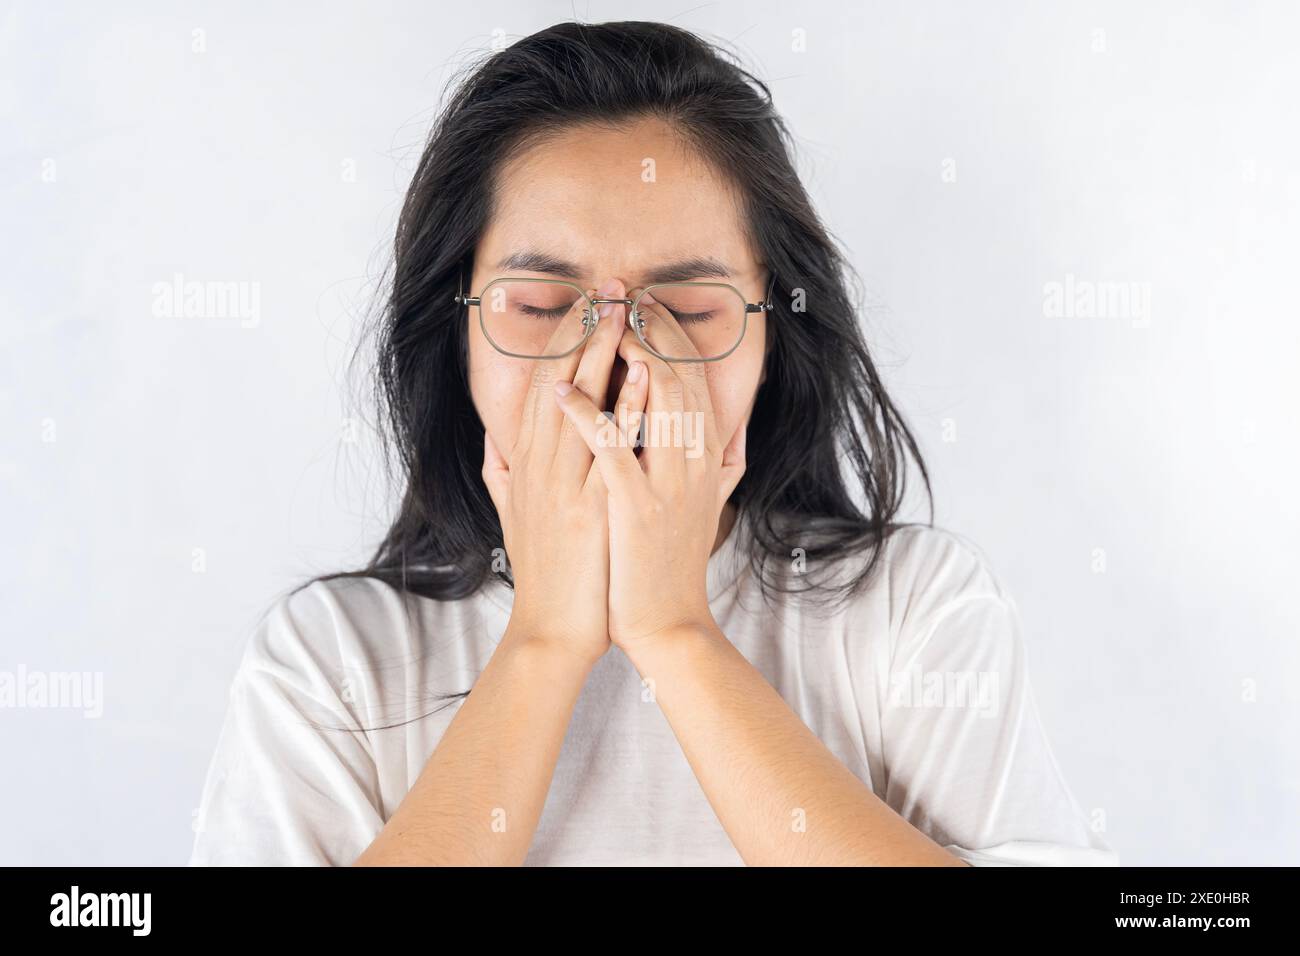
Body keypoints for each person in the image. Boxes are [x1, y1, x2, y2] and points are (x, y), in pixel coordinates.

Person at [188, 20, 1117, 866]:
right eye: (544, 306)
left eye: (686, 310)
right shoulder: (331, 663)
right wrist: (545, 640)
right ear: (457, 332)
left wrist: (676, 631)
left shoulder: (914, 612)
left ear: (772, 334)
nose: (616, 361)